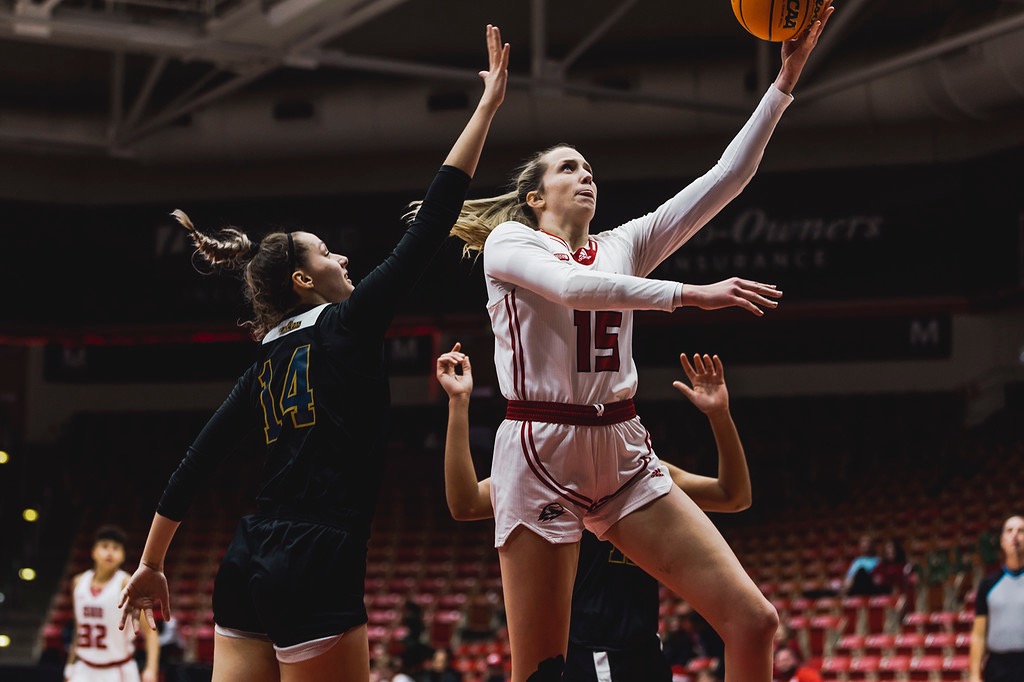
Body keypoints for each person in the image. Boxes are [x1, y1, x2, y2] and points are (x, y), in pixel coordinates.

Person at [444, 5, 834, 680]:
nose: (585, 174)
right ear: (535, 196)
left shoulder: (623, 243)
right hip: (541, 446)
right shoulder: (510, 242)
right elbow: (571, 289)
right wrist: (690, 294)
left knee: (754, 622)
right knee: (540, 671)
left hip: (623, 445)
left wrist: (783, 85)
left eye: (590, 168)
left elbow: (725, 180)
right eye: (569, 167)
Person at [116, 25, 510, 682]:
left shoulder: (261, 366)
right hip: (317, 559)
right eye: (328, 253)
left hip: (247, 557)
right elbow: (435, 218)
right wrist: (487, 108)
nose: (343, 258)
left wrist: (153, 562)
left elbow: (195, 465)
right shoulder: (348, 325)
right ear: (303, 280)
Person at [436, 345, 754, 682]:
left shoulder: (646, 475)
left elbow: (734, 497)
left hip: (645, 652)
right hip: (590, 655)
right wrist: (458, 402)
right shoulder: (543, 473)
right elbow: (465, 503)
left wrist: (720, 415)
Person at [65, 525, 159, 682]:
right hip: (83, 669)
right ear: (93, 552)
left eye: (116, 548)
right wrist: (70, 664)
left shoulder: (127, 584)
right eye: (104, 546)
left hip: (118, 670)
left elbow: (150, 632)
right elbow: (78, 629)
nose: (110, 552)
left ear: (123, 556)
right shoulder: (78, 582)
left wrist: (151, 669)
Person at [969, 514, 1024, 682]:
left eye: (1021, 531)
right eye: (1009, 530)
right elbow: (979, 634)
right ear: (1002, 541)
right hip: (997, 668)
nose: (1015, 535)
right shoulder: (988, 584)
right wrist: (974, 674)